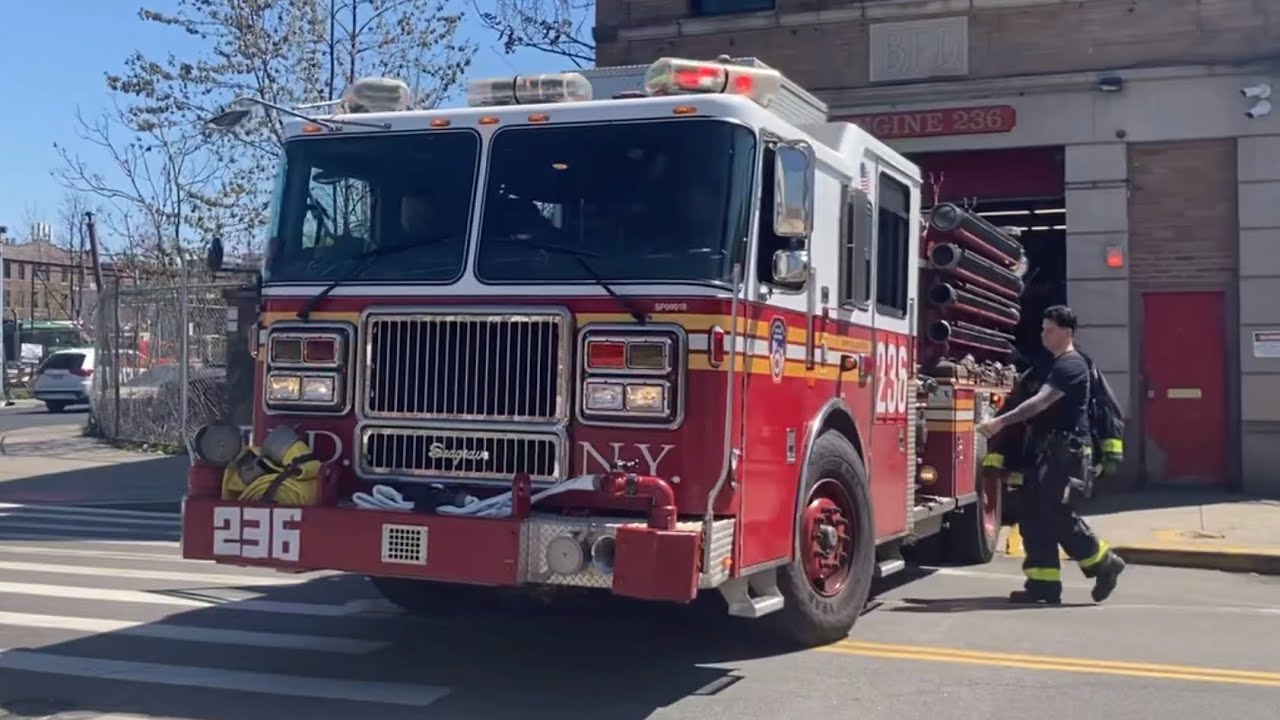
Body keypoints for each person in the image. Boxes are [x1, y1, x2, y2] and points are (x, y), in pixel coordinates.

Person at [976, 305, 1126, 604]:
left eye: (1050, 330)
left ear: (1067, 332)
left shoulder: (1071, 366)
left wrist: (998, 423)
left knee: (1057, 515)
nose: (1043, 335)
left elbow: (1040, 403)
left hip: (1066, 454)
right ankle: (1043, 584)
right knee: (1032, 516)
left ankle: (1104, 563)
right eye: (1043, 329)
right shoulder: (1049, 365)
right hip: (1044, 452)